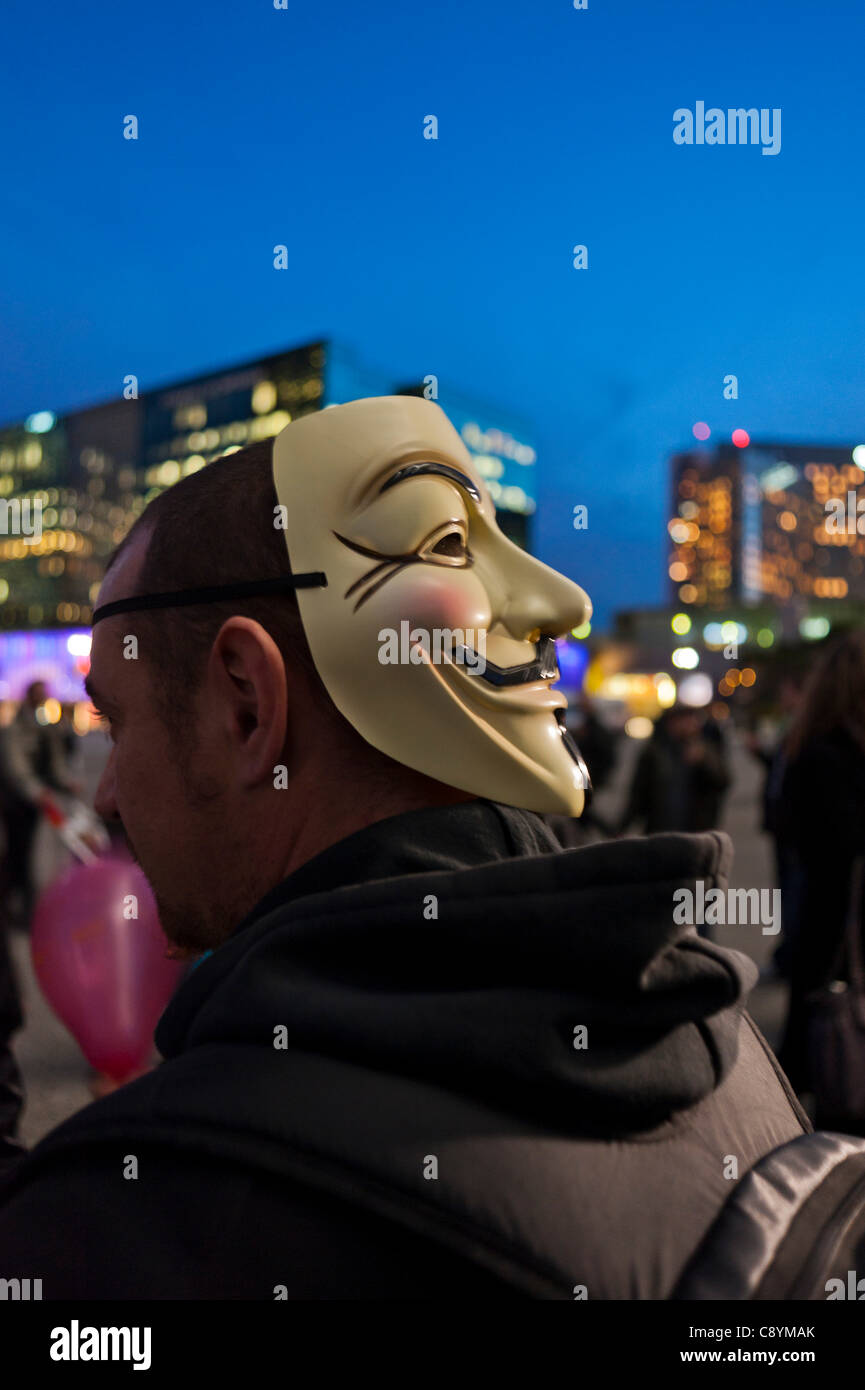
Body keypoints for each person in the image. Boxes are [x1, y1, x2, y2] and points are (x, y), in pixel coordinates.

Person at [0, 398, 810, 1298]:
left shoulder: (140, 1219)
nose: (104, 791)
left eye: (118, 721)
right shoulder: (723, 1042)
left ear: (244, 702)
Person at [775, 633, 865, 1127]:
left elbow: (791, 831)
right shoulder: (832, 757)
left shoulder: (808, 751)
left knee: (829, 1071)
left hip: (824, 930)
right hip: (842, 936)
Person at [0, 680, 79, 928]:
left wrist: (65, 782)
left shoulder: (47, 726)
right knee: (19, 852)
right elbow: (16, 769)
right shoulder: (16, 729)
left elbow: (55, 761)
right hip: (17, 803)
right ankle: (16, 904)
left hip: (38, 801)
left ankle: (30, 903)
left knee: (38, 852)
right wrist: (36, 792)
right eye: (39, 694)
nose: (43, 698)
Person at [618, 705, 730, 836]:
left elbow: (723, 781)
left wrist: (704, 762)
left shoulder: (704, 749)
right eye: (684, 720)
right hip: (660, 830)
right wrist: (622, 827)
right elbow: (638, 793)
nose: (690, 725)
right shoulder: (654, 752)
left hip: (696, 832)